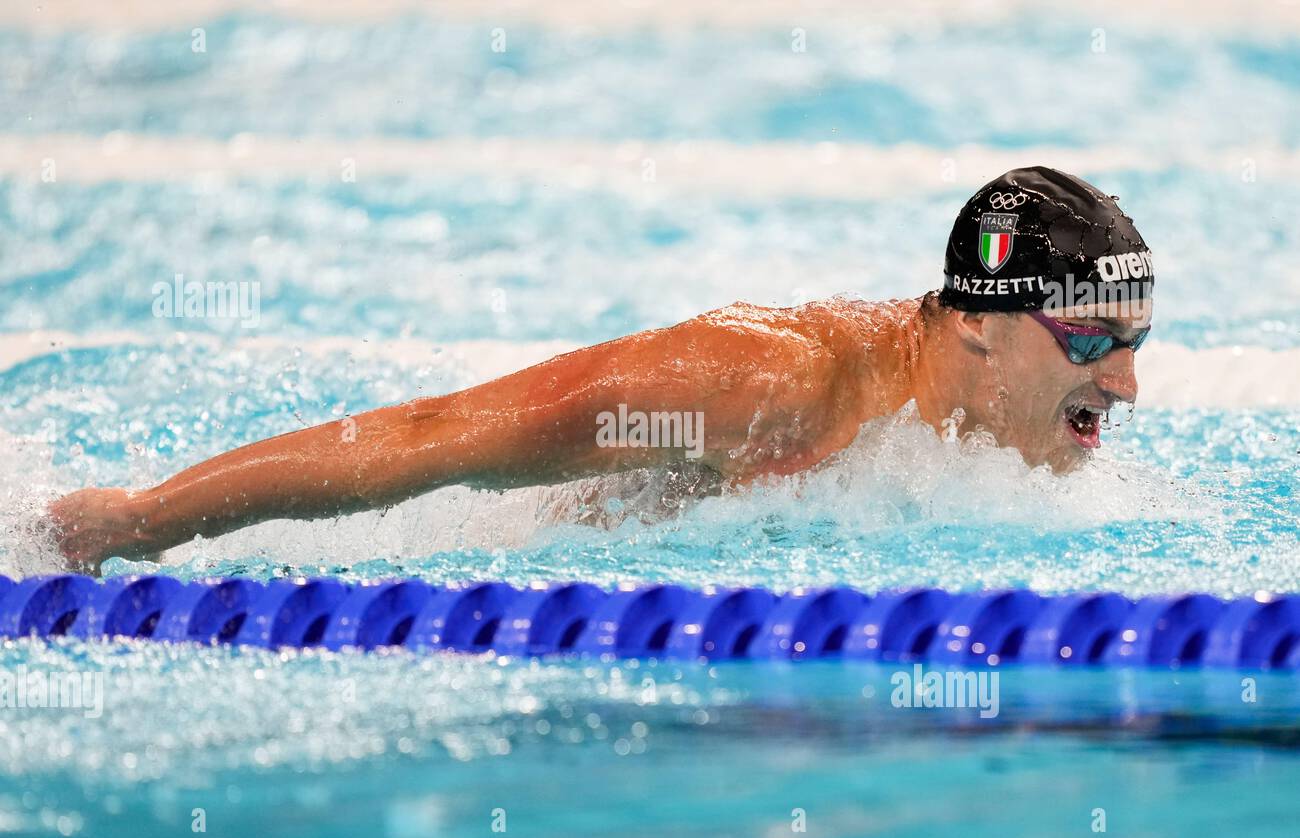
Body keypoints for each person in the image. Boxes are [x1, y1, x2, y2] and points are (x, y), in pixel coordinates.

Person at [48, 166, 1154, 571]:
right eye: (1092, 341)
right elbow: (435, 439)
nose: (1124, 383)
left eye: (1135, 344)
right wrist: (139, 520)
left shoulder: (981, 443)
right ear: (975, 321)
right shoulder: (769, 386)